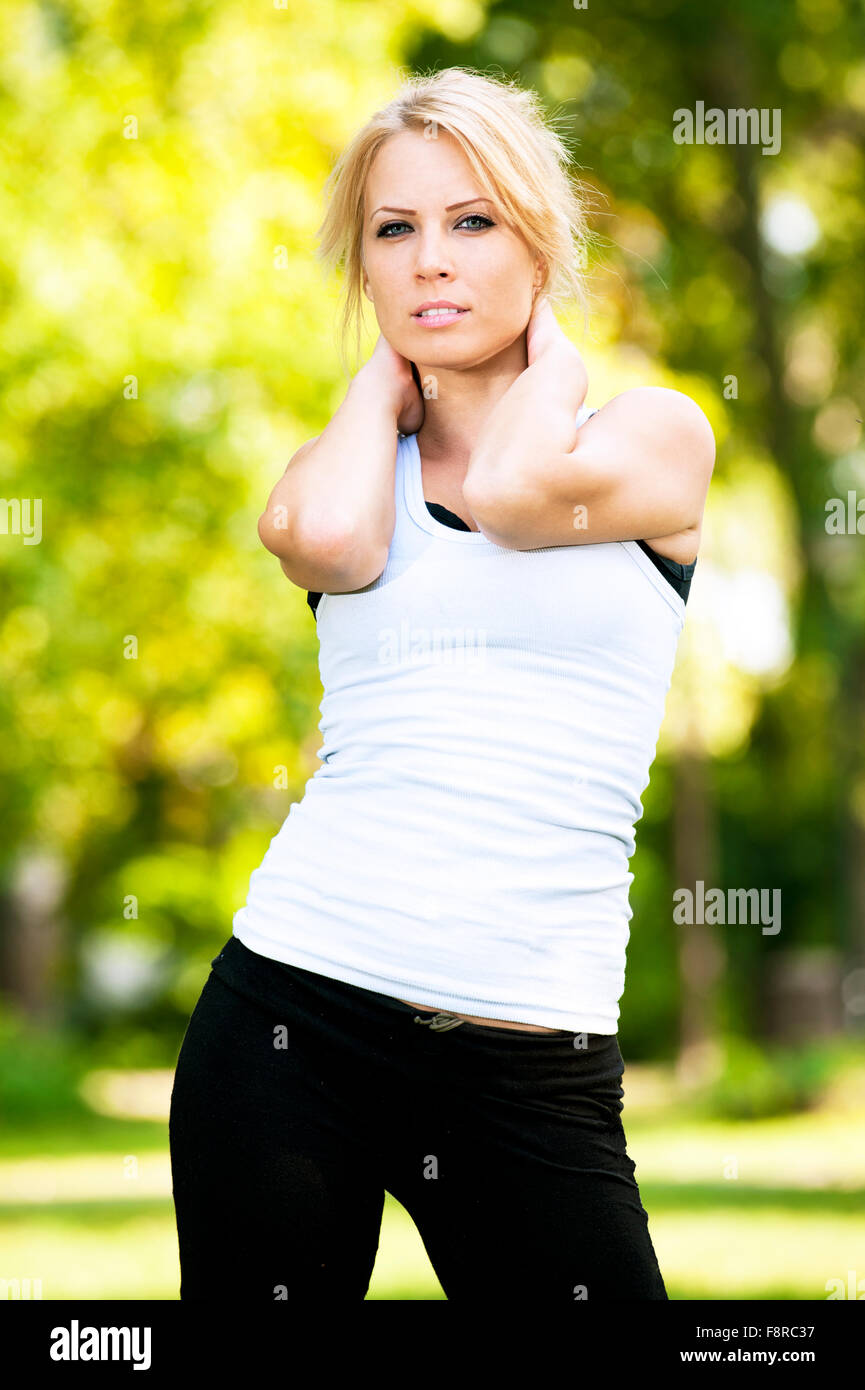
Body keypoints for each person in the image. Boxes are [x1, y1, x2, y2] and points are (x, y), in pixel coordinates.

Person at [169, 66, 714, 1302]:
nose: (431, 262)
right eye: (394, 230)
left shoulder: (653, 435)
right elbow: (329, 546)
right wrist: (378, 387)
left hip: (530, 1057)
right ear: (361, 265)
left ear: (539, 241)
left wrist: (552, 367)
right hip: (292, 1018)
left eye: (473, 222)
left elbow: (521, 499)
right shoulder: (347, 468)